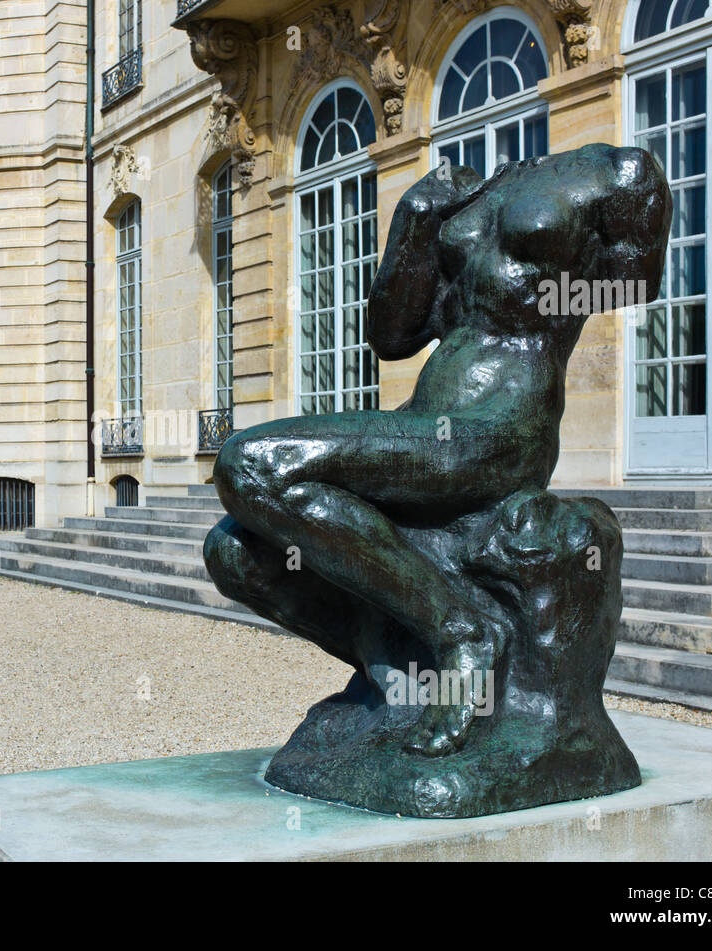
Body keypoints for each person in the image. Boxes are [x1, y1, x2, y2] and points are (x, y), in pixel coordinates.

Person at [204, 143, 671, 757]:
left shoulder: (614, 170)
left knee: (249, 464)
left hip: (502, 423)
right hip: (427, 424)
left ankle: (461, 632)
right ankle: (395, 666)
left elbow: (637, 282)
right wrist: (415, 218)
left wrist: (543, 296)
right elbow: (391, 337)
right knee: (233, 552)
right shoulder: (473, 190)